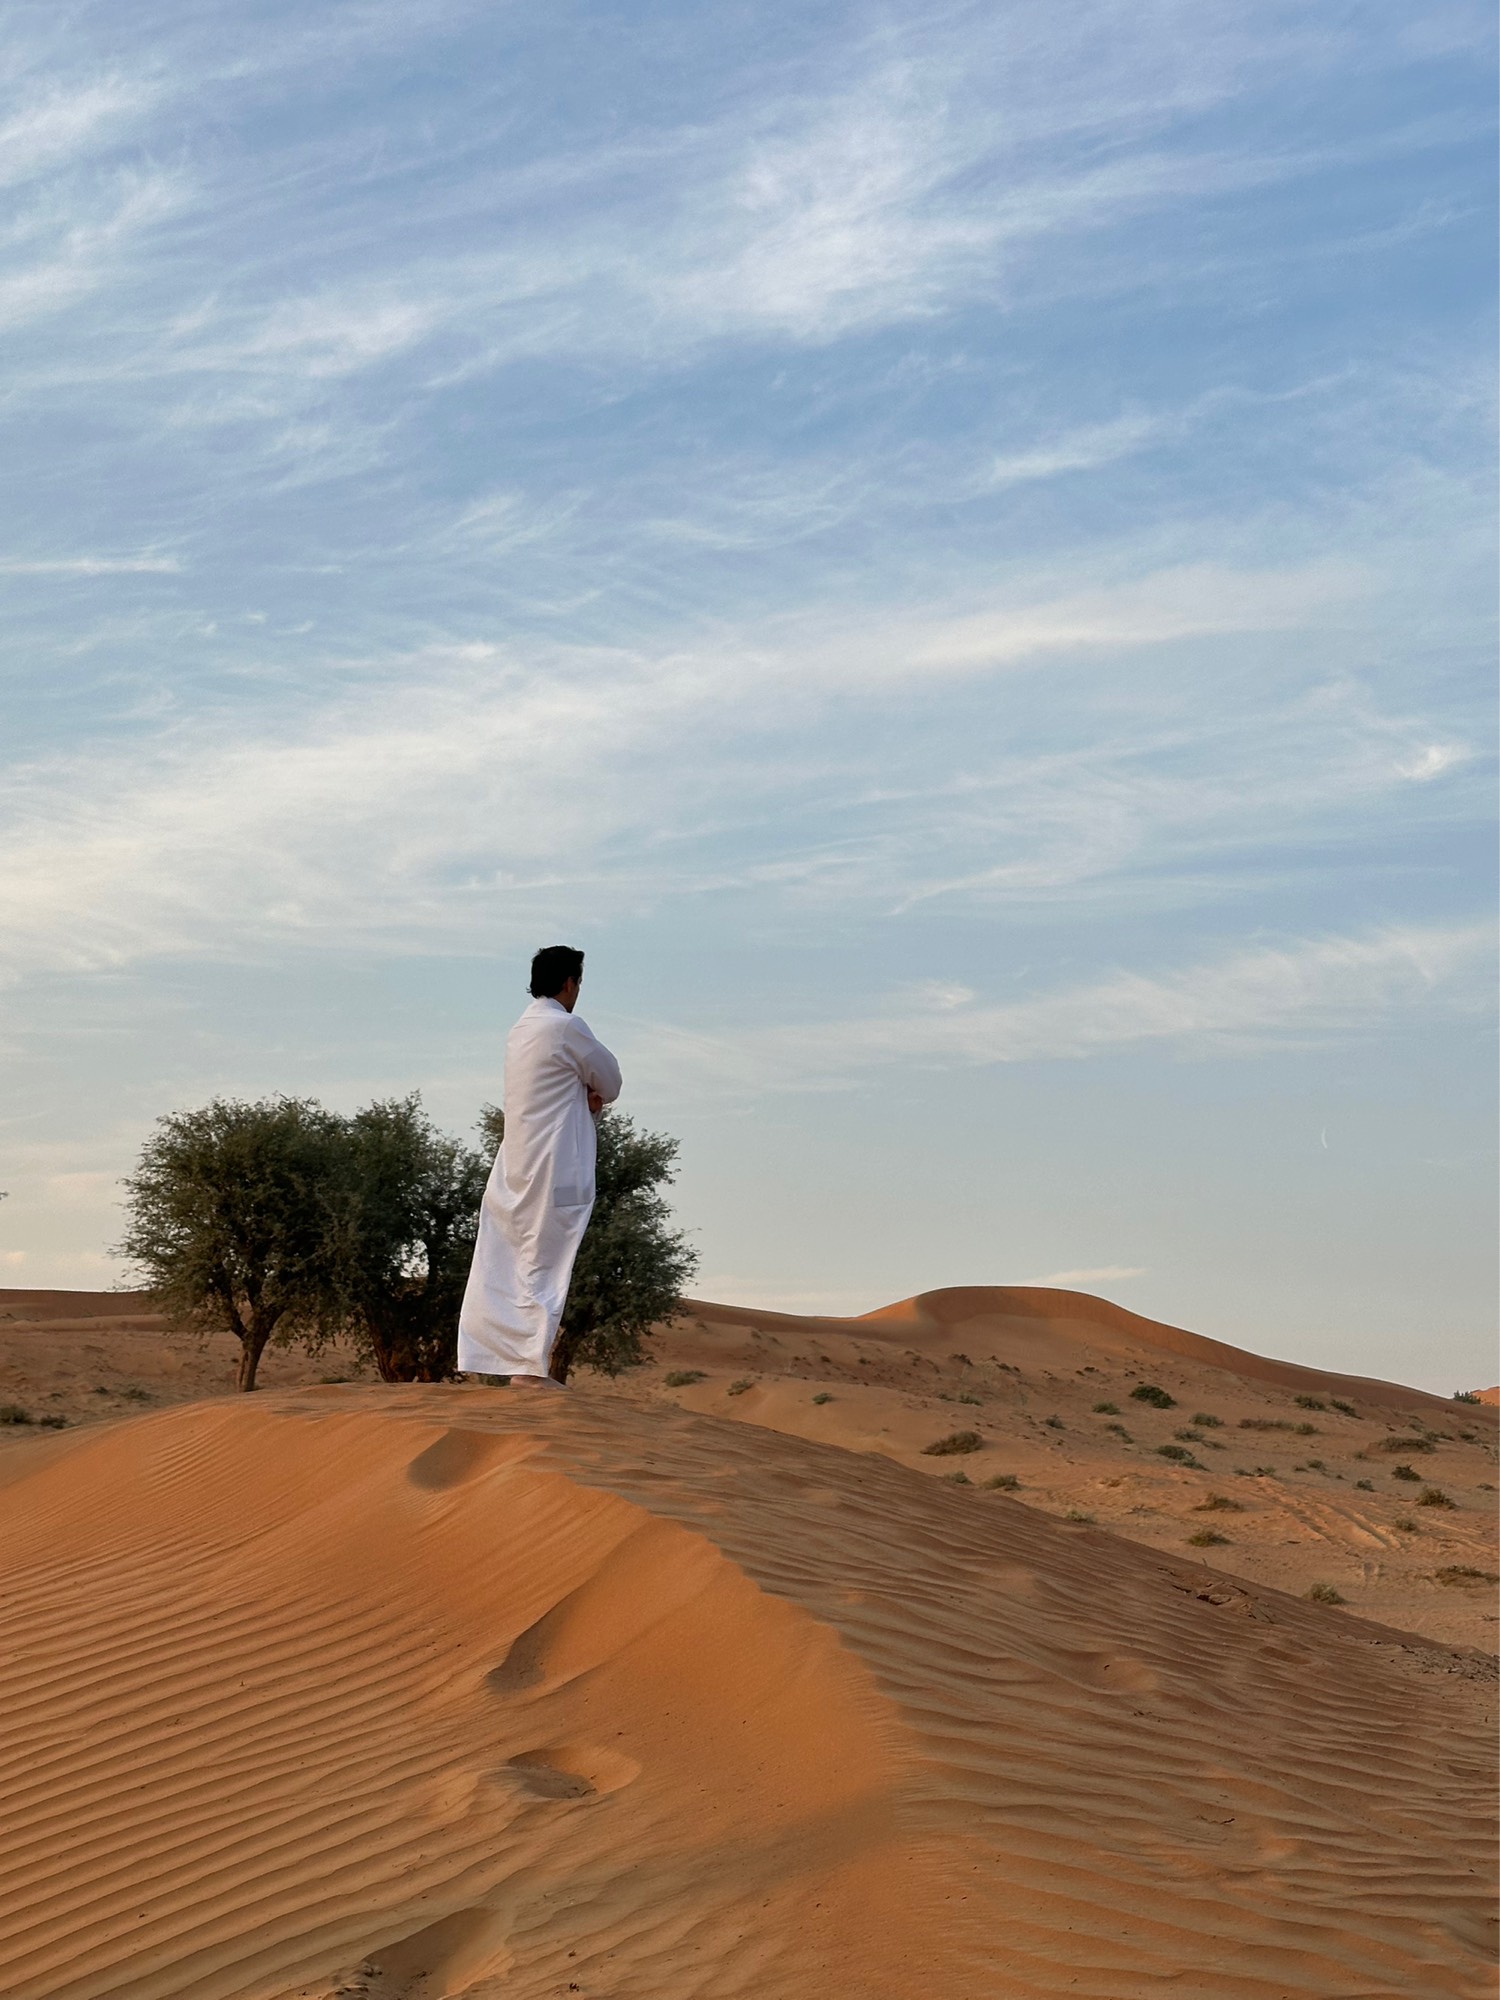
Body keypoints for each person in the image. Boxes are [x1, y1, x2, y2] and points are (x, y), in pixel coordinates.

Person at [458, 945, 622, 1387]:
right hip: (557, 1171)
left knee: (507, 1260)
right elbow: (611, 1079)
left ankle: (504, 1361)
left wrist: (582, 1094)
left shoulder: (520, 1029)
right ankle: (527, 1371)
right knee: (545, 1260)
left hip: (516, 1167)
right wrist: (591, 1094)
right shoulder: (565, 1027)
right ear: (569, 983)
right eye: (579, 983)